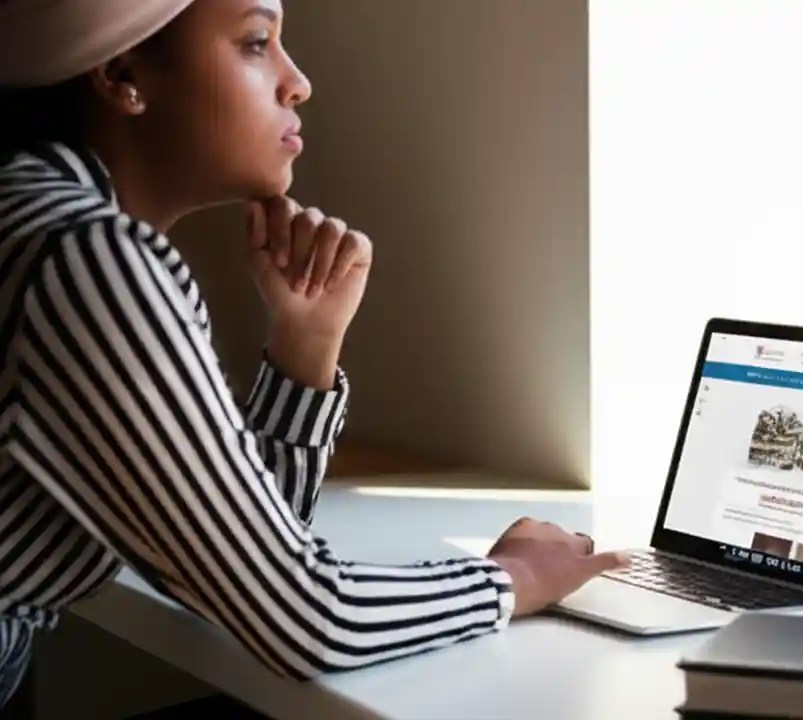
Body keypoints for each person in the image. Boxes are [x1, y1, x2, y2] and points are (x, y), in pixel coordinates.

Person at [0, 0, 626, 713]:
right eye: (257, 42)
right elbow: (301, 616)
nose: (297, 82)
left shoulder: (43, 219)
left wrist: (306, 343)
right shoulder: (88, 259)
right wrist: (514, 578)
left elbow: (235, 570)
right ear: (122, 74)